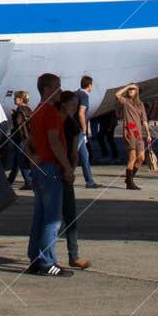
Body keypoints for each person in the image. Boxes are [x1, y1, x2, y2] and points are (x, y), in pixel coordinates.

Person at [25, 73, 74, 276]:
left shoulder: (37, 111)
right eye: (57, 87)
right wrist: (67, 166)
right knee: (52, 218)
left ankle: (35, 257)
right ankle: (47, 261)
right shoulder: (51, 113)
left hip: (39, 167)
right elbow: (54, 142)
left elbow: (30, 141)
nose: (60, 91)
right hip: (51, 168)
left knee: (40, 215)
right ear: (47, 89)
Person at [57, 91, 90, 270]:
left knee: (50, 216)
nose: (75, 108)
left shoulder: (60, 120)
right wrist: (69, 168)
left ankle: (42, 255)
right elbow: (71, 151)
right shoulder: (67, 123)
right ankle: (71, 254)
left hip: (56, 169)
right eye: (73, 105)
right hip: (62, 171)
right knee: (63, 215)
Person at [117, 83, 151, 190]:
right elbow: (117, 95)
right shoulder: (126, 102)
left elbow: (144, 120)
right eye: (129, 90)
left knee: (141, 158)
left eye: (133, 89)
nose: (130, 91)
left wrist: (148, 134)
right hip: (129, 132)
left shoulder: (140, 104)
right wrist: (127, 86)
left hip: (139, 134)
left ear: (137, 92)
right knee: (132, 157)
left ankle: (129, 178)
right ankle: (130, 183)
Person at [74, 76, 100, 189]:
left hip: (73, 128)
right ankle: (60, 175)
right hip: (78, 130)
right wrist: (84, 129)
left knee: (85, 156)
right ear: (89, 85)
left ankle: (89, 181)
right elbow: (81, 113)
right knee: (72, 154)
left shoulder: (76, 94)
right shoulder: (84, 95)